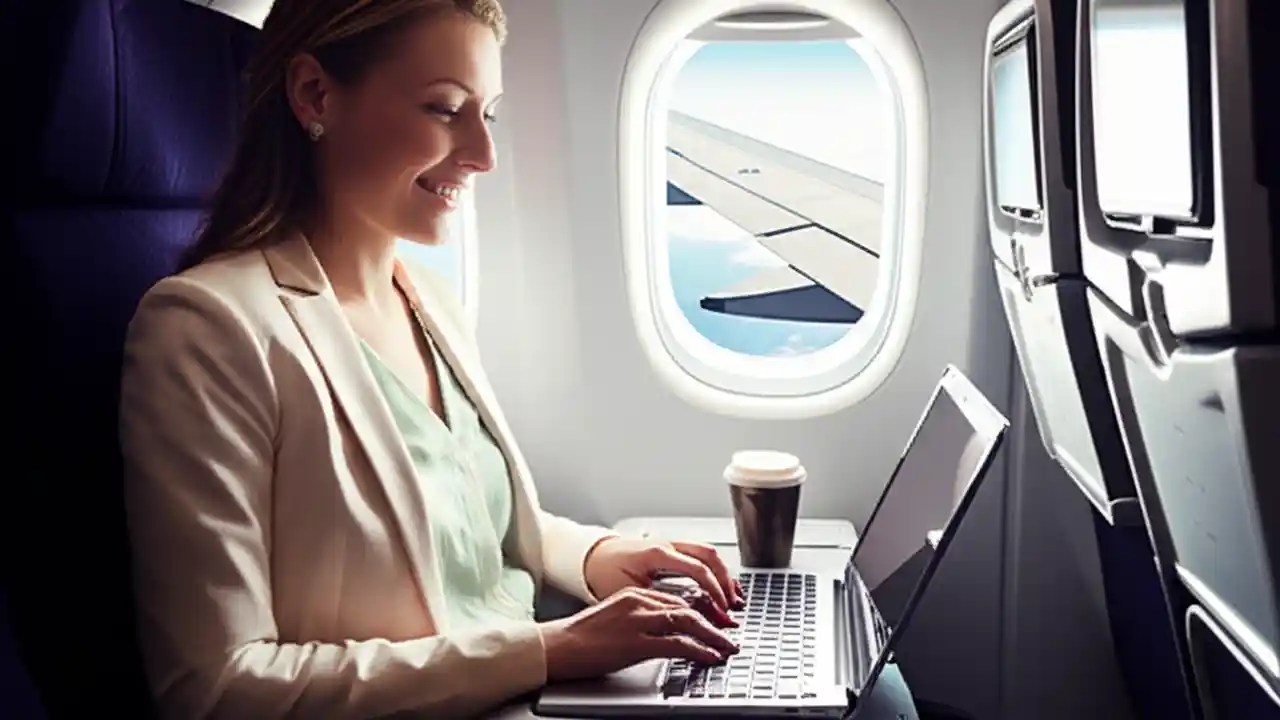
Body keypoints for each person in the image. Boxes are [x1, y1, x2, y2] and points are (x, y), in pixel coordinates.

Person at [117, 1, 743, 718]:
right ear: (314, 95)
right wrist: (551, 649)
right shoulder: (209, 330)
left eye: (491, 114)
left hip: (531, 691)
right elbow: (216, 687)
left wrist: (597, 558)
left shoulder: (429, 302)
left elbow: (468, 536)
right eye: (445, 108)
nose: (483, 153)